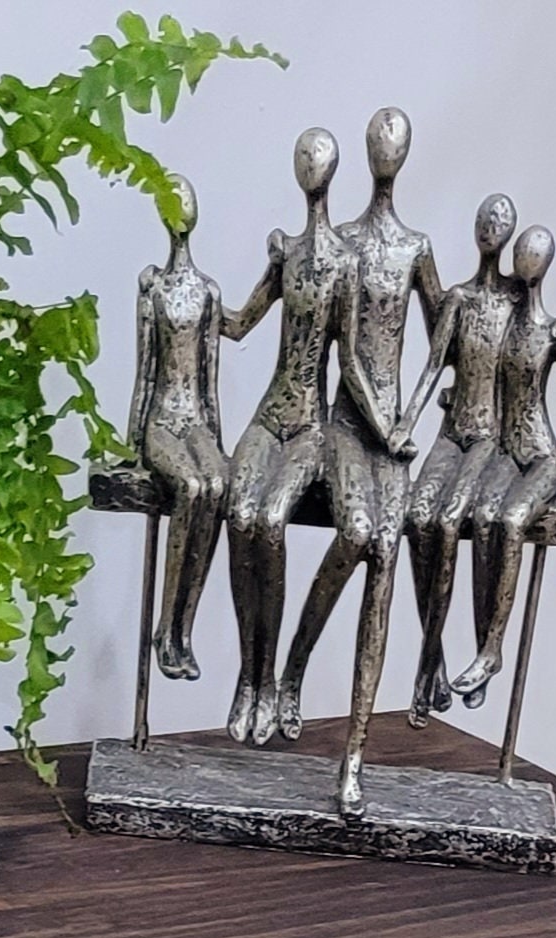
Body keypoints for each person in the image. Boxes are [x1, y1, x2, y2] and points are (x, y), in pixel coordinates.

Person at [273, 107, 445, 814]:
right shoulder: (340, 244)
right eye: (377, 142)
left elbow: (445, 338)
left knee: (385, 571)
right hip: (347, 425)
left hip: (394, 435)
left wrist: (423, 410)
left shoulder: (416, 249)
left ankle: (354, 756)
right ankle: (293, 667)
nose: (384, 153)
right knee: (357, 535)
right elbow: (337, 358)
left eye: (392, 144)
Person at [221, 129, 385, 751]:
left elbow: (351, 365)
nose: (308, 170)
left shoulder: (345, 263)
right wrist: (191, 304)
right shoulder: (285, 252)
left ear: (330, 172)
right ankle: (251, 675)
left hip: (310, 427)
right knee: (240, 515)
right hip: (269, 414)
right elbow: (241, 323)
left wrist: (386, 431)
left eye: (315, 162)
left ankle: (271, 678)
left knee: (269, 522)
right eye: (302, 161)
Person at [448, 222, 556, 706]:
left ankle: (491, 650)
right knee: (482, 517)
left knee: (512, 521)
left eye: (531, 258)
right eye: (521, 256)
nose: (522, 265)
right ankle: (483, 653)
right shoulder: (502, 323)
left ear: (542, 268)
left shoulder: (552, 332)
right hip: (505, 454)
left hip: (540, 457)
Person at [396, 192, 520, 726]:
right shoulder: (458, 300)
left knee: (448, 522)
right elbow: (432, 368)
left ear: (509, 233)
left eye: (500, 222)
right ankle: (435, 659)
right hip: (452, 434)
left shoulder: (516, 302)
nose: (490, 228)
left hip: (490, 438)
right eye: (484, 221)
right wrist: (407, 422)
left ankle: (449, 661)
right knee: (417, 516)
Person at [125, 175, 229, 682]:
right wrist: (132, 443)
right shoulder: (154, 289)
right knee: (189, 486)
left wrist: (218, 443)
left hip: (196, 420)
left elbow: (209, 379)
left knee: (216, 484)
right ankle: (165, 627)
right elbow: (146, 371)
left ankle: (184, 629)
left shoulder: (209, 292)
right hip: (162, 420)